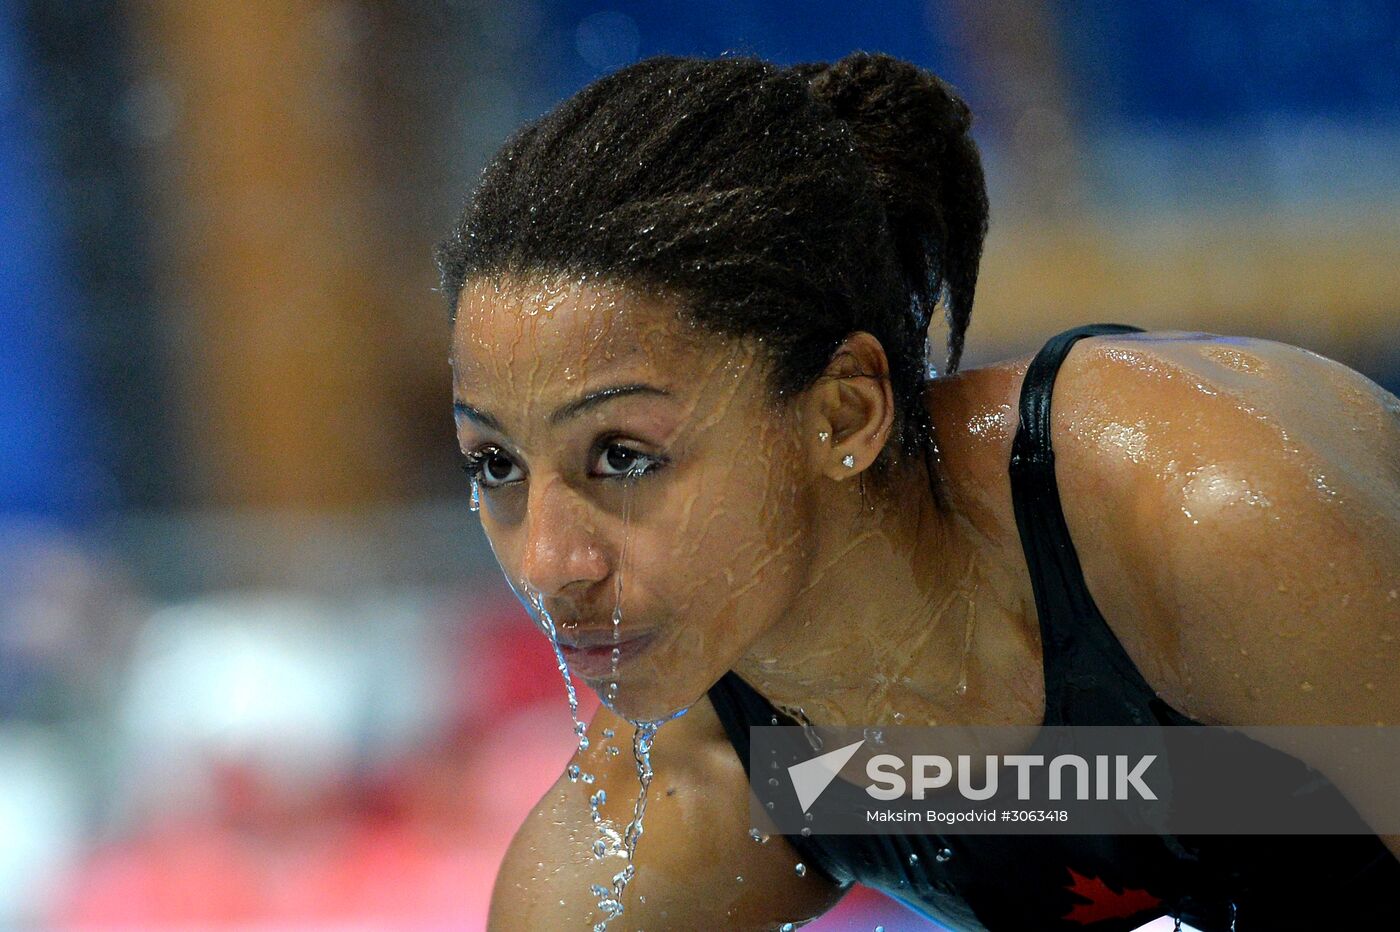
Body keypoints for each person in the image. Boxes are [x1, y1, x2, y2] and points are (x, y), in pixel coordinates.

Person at [436, 52, 1400, 930]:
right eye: (497, 467)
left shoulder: (1215, 520)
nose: (550, 565)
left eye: (624, 455)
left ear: (845, 415)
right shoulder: (711, 789)